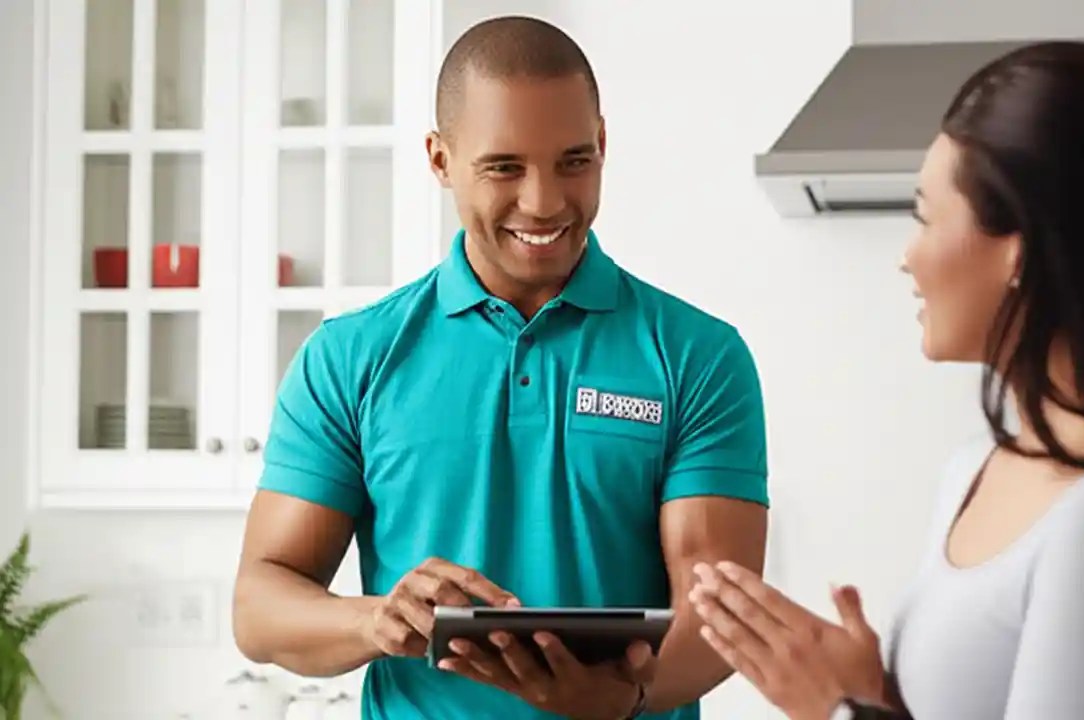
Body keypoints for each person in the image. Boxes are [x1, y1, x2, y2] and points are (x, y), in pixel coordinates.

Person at [688, 40, 1084, 720]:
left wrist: (836, 711)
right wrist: (872, 699)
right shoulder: (977, 470)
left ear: (1019, 250)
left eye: (924, 218)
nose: (908, 258)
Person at [231, 15, 769, 720]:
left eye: (574, 161)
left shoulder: (698, 356)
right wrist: (377, 620)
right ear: (440, 159)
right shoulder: (349, 359)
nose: (543, 202)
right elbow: (260, 606)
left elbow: (717, 609)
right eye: (504, 167)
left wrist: (622, 700)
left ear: (603, 146)